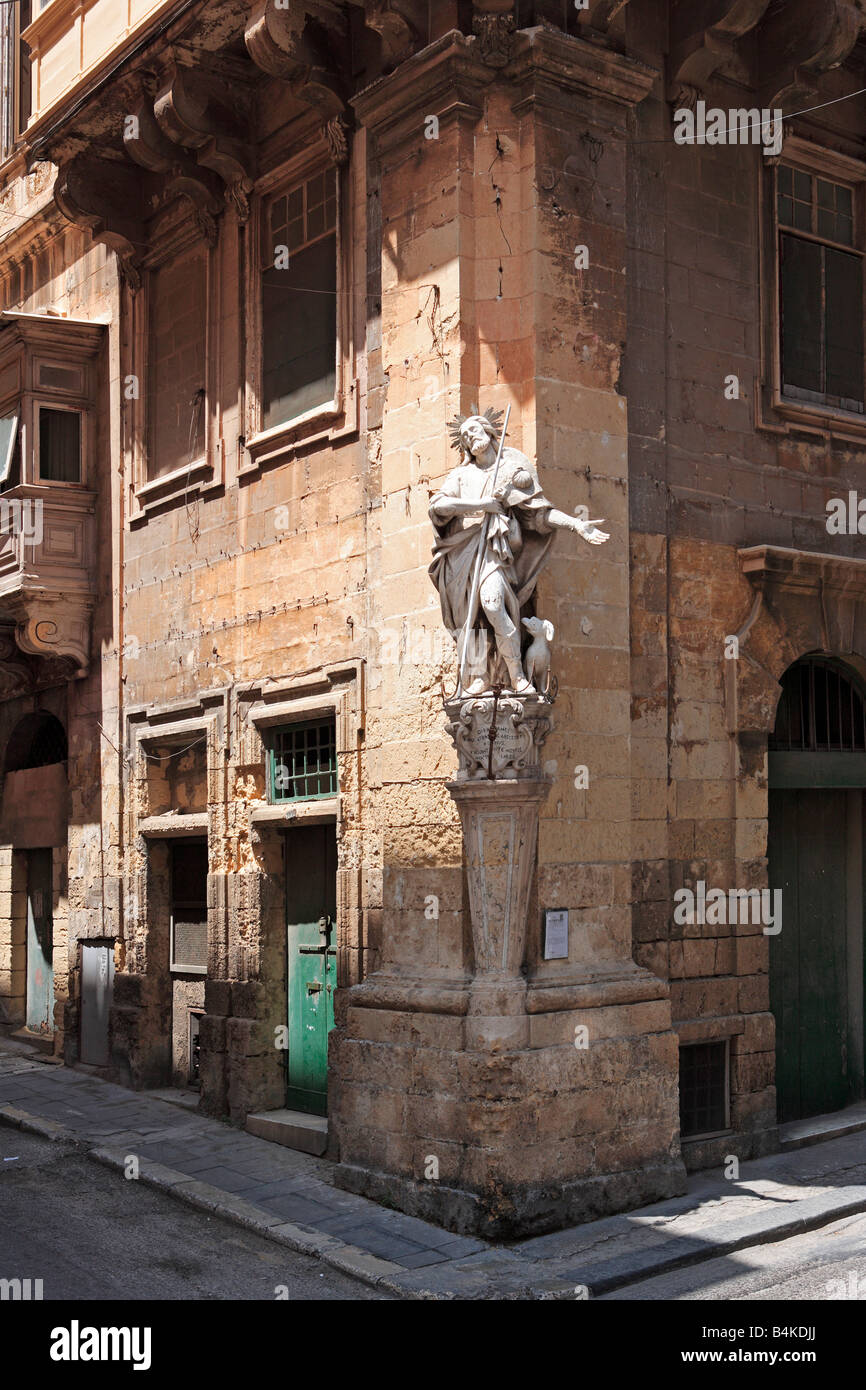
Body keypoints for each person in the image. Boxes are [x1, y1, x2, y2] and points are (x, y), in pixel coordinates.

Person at [429, 410, 608, 695]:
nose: (470, 437)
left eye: (474, 430)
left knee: (491, 603)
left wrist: (575, 524)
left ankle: (516, 676)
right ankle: (478, 677)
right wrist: (481, 504)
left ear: (489, 432)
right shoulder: (461, 476)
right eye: (464, 436)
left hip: (492, 555)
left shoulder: (508, 472)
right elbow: (437, 508)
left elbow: (538, 515)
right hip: (460, 557)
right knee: (469, 620)